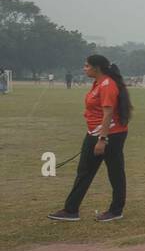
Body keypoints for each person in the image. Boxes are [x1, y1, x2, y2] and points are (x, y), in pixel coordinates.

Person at [48, 56, 134, 222]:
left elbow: (108, 113)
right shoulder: (98, 83)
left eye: (87, 66)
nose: (84, 68)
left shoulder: (107, 85)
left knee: (115, 172)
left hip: (110, 135)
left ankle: (116, 210)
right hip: (95, 133)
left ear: (97, 68)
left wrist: (102, 139)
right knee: (85, 171)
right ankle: (71, 210)